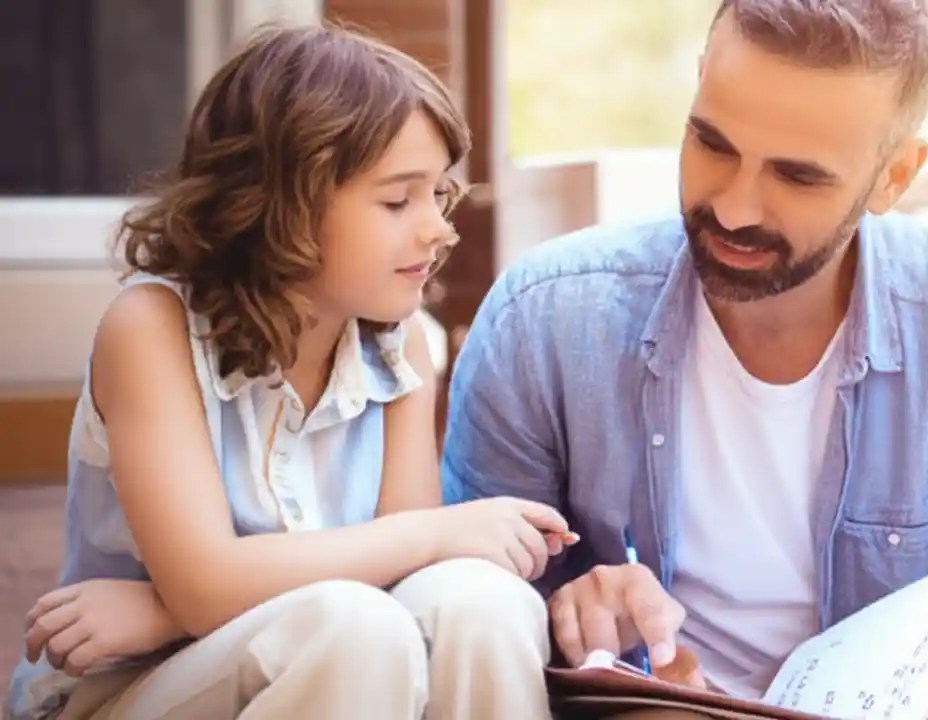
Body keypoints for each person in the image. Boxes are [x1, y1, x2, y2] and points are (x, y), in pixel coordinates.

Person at [442, 1, 928, 718]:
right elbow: (459, 614)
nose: (734, 208)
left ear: (894, 176)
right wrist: (568, 619)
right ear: (701, 80)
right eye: (713, 144)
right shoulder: (544, 319)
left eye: (797, 176)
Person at [6, 24, 569, 720]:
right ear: (282, 203)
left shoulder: (403, 347)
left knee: (481, 600)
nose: (439, 229)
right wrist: (435, 532)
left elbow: (408, 580)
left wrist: (163, 611)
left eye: (440, 197)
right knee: (351, 627)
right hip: (123, 688)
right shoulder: (151, 332)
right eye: (399, 201)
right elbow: (208, 584)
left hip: (294, 650)